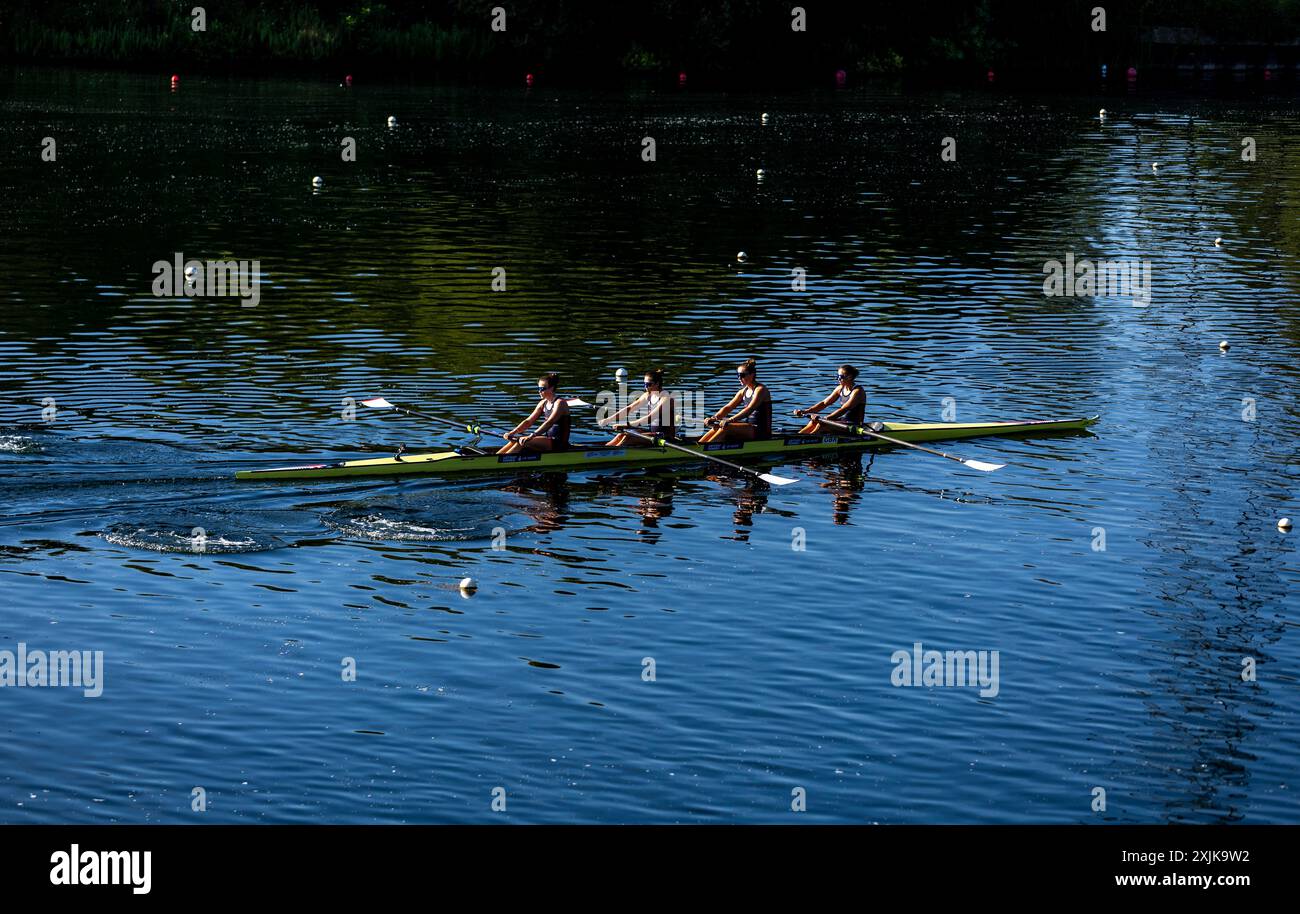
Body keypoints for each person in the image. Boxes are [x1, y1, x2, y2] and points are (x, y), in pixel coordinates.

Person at [699, 358, 772, 443]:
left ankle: (705, 449)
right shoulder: (743, 391)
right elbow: (728, 407)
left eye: (742, 375)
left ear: (752, 375)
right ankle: (699, 445)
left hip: (761, 431)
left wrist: (730, 420)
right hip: (749, 428)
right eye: (738, 375)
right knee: (717, 426)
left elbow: (749, 409)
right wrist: (714, 418)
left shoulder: (760, 390)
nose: (739, 378)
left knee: (726, 427)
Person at [498, 372, 571, 454]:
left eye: (542, 389)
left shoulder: (560, 403)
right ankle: (495, 458)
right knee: (514, 440)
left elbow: (549, 422)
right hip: (547, 439)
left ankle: (499, 462)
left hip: (559, 443)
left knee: (522, 442)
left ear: (551, 388)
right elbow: (528, 421)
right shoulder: (543, 403)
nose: (539, 391)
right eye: (538, 388)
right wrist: (512, 432)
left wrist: (533, 435)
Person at [600, 369, 677, 446]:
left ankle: (613, 453)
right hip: (654, 435)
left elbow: (650, 417)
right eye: (644, 384)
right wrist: (608, 419)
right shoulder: (647, 395)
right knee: (622, 435)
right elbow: (629, 409)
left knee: (628, 438)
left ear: (657, 384)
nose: (645, 387)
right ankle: (603, 450)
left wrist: (627, 425)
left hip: (665, 438)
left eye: (648, 384)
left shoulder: (666, 399)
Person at [793, 364, 866, 433]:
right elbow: (824, 403)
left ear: (849, 377)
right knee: (813, 421)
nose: (837, 379)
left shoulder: (858, 391)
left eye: (840, 376)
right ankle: (797, 436)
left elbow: (844, 409)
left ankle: (806, 440)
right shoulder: (840, 388)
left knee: (822, 424)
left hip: (854, 425)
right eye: (837, 376)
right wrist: (805, 411)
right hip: (842, 421)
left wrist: (826, 418)